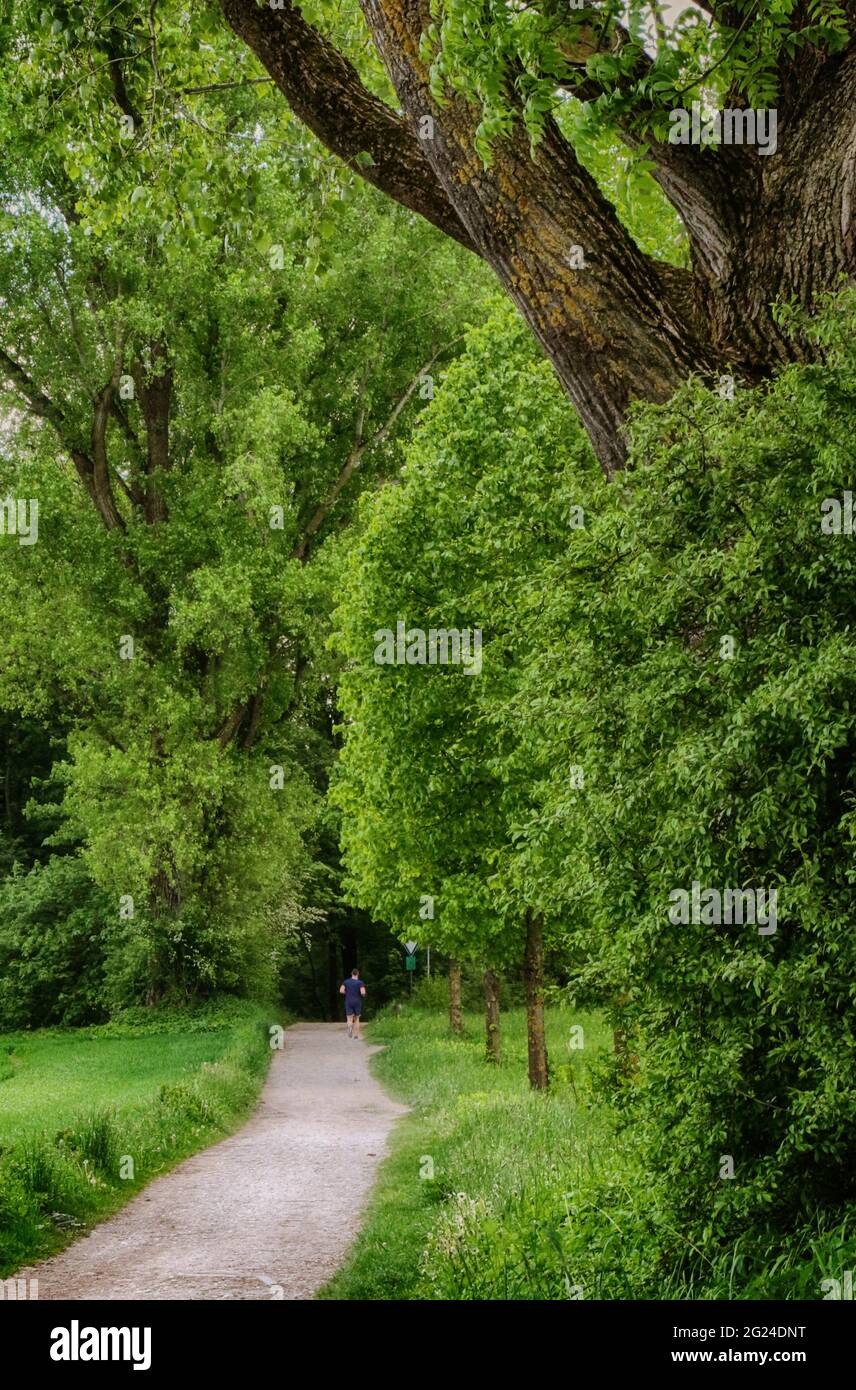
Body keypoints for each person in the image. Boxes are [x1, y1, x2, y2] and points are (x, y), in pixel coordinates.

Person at [340, 968, 366, 1039]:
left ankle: (350, 1028)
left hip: (348, 1001)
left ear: (351, 974)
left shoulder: (346, 982)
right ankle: (356, 1035)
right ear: (358, 974)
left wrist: (347, 993)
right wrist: (363, 995)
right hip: (357, 1002)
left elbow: (341, 990)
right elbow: (363, 992)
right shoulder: (360, 983)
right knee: (357, 1019)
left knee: (349, 1018)